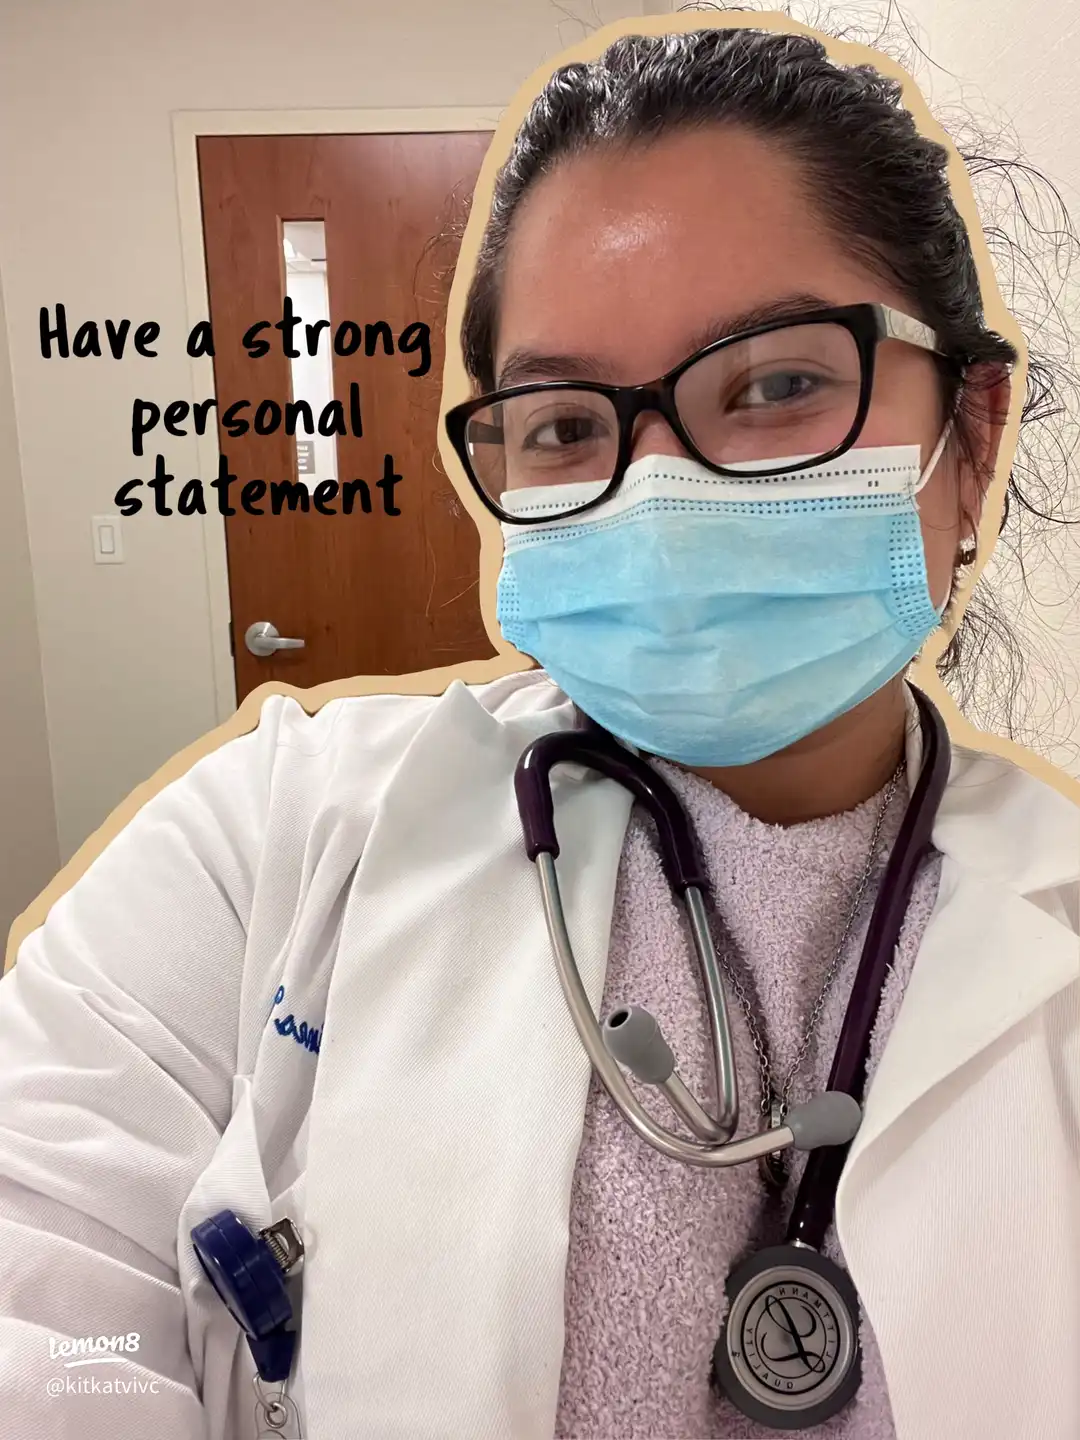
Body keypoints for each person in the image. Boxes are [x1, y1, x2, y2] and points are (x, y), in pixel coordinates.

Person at [2, 20, 1079, 1440]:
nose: (652, 491)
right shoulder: (266, 837)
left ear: (975, 436)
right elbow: (38, 1297)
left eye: (774, 385)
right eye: (568, 423)